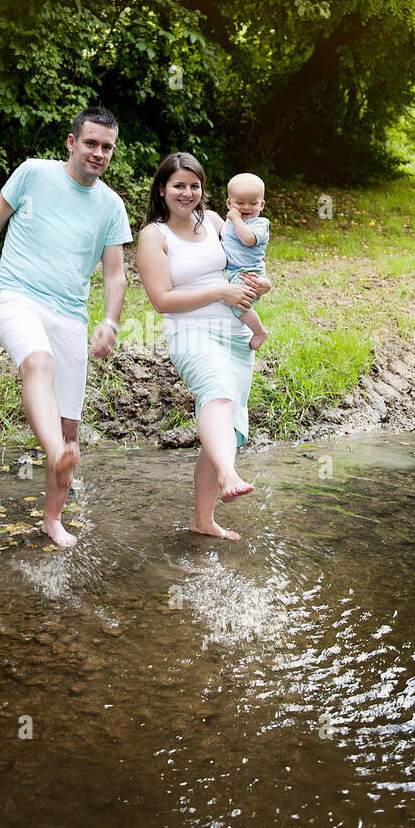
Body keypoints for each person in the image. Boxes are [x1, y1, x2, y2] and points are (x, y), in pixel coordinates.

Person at [0, 107, 132, 548]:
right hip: (17, 298)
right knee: (38, 364)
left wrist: (109, 320)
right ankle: (57, 454)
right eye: (91, 143)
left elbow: (116, 274)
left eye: (107, 147)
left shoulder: (112, 206)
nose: (98, 153)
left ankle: (52, 519)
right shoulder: (33, 174)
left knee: (70, 426)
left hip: (70, 315)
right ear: (71, 142)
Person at [136, 152, 271, 542]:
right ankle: (229, 475)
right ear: (162, 189)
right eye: (179, 185)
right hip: (190, 333)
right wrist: (219, 291)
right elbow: (162, 299)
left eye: (194, 186)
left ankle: (203, 519)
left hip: (234, 333)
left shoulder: (213, 221)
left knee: (229, 421)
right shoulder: (153, 235)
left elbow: (246, 261)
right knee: (219, 396)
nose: (187, 193)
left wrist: (262, 283)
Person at [220, 172, 270, 350]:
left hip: (250, 273)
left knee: (238, 306)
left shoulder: (260, 224)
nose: (246, 207)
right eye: (240, 203)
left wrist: (235, 218)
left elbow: (247, 239)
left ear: (261, 205)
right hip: (234, 272)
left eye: (253, 203)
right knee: (232, 304)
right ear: (229, 203)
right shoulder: (228, 224)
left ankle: (259, 331)